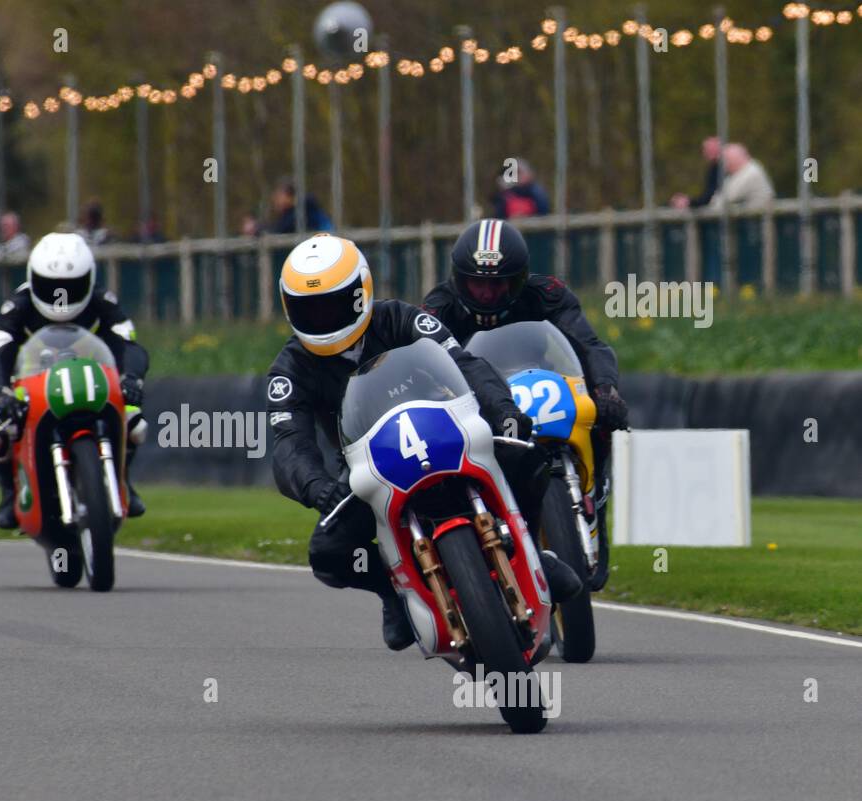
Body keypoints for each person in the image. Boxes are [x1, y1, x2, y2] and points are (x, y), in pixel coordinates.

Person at [267, 233, 582, 652]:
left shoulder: (401, 318)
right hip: (368, 464)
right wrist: (315, 486)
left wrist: (504, 412)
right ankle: (393, 591)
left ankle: (525, 547)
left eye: (333, 304)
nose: (322, 317)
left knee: (528, 459)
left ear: (362, 293)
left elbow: (465, 363)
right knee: (328, 552)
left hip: (446, 429)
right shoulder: (289, 369)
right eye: (310, 308)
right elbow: (289, 440)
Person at [421, 218, 630, 591]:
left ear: (518, 279)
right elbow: (423, 363)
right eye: (477, 283)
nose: (486, 294)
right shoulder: (439, 307)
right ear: (459, 279)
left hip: (543, 384)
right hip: (477, 400)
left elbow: (590, 345)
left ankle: (594, 497)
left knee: (601, 417)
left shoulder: (548, 294)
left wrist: (606, 390)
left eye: (497, 283)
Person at [0, 232, 149, 529]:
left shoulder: (102, 302)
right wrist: (0, 392)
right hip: (31, 388)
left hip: (94, 385)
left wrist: (131, 377)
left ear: (88, 279)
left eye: (70, 287)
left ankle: (122, 481)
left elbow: (128, 345)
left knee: (134, 421)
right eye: (51, 286)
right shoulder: (17, 307)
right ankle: (9, 493)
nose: (60, 296)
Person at [708, 143, 775, 212]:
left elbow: (729, 197)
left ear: (734, 159)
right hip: (748, 218)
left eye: (725, 160)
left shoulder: (751, 172)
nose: (724, 165)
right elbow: (717, 200)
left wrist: (717, 201)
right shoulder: (738, 174)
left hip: (756, 219)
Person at [669, 136, 722, 209]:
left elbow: (709, 197)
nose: (705, 152)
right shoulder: (713, 169)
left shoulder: (720, 169)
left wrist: (688, 202)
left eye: (710, 149)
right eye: (705, 149)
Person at [268, 178, 333, 233]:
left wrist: (260, 229)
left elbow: (280, 230)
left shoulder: (304, 209)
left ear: (288, 196)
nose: (275, 201)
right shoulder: (295, 211)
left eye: (278, 197)